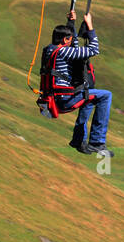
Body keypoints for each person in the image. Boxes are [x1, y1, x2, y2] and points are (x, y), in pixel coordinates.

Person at [48, 10, 114, 157]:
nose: (72, 40)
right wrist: (90, 27)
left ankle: (79, 140)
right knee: (105, 96)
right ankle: (97, 142)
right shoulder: (64, 52)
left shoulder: (50, 50)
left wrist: (71, 22)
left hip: (55, 98)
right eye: (70, 39)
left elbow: (74, 47)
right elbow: (93, 49)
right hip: (65, 100)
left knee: (88, 96)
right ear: (65, 40)